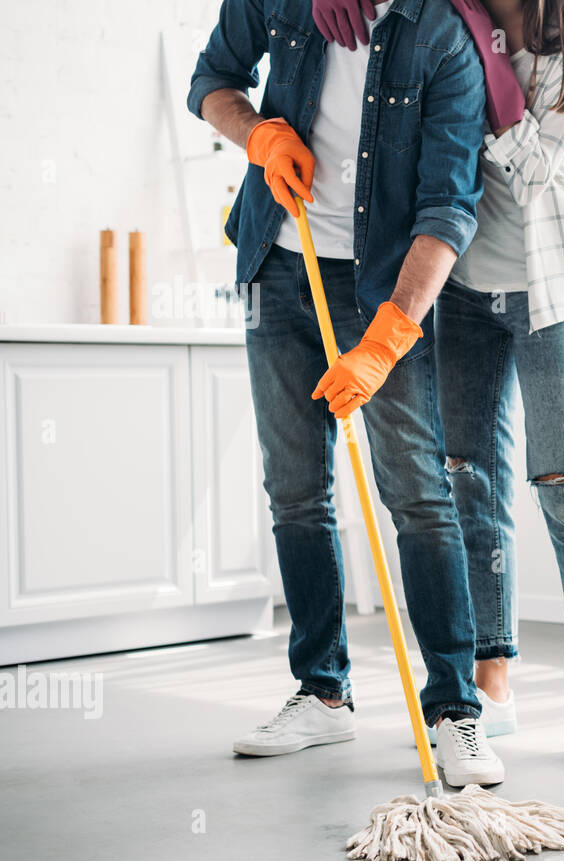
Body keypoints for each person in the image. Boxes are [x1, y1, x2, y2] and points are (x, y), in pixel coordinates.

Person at [188, 0, 506, 786]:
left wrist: (389, 339)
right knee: (296, 491)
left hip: (382, 286)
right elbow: (211, 80)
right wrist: (258, 133)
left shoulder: (444, 40)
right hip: (276, 265)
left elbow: (447, 210)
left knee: (419, 496)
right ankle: (322, 694)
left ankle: (455, 712)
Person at [321, 0, 564, 767]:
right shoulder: (456, 18)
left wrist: (487, 77)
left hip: (550, 288)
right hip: (461, 294)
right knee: (470, 484)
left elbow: (529, 167)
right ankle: (493, 683)